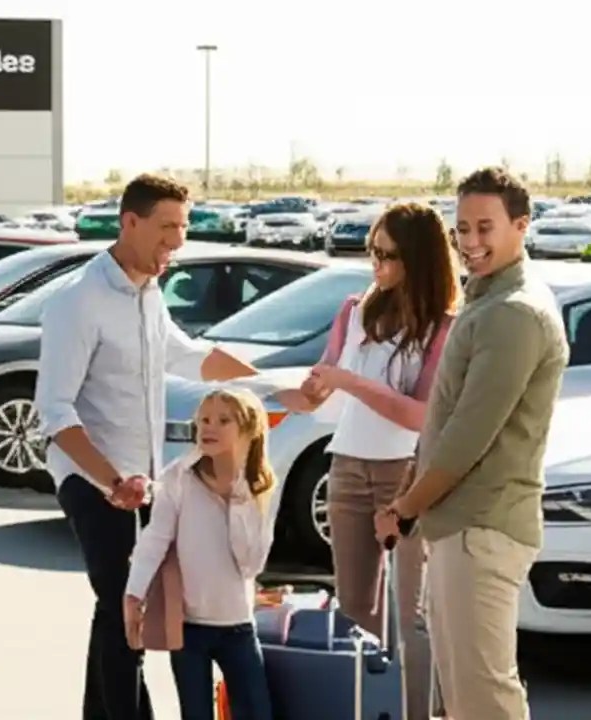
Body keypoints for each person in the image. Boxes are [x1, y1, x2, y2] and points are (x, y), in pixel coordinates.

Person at [35, 173, 263, 720]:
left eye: (182, 227)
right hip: (94, 480)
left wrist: (277, 385)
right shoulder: (79, 303)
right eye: (167, 227)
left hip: (141, 480)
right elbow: (54, 413)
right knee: (127, 611)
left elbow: (187, 356)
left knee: (118, 610)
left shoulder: (148, 293)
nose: (177, 241)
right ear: (129, 223)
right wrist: (112, 481)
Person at [376, 167, 569, 720]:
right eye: (462, 229)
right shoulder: (488, 300)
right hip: (460, 527)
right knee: (462, 698)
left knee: (484, 698)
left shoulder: (514, 313)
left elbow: (466, 439)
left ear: (521, 226)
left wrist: (404, 509)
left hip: (481, 528)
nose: (471, 242)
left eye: (486, 227)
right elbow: (447, 420)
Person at [298, 201, 461, 720]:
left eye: (388, 254)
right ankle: (368, 711)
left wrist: (349, 382)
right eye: (372, 251)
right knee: (354, 611)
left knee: (411, 616)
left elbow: (418, 416)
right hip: (346, 465)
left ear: (419, 258)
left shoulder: (443, 327)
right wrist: (294, 389)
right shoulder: (353, 309)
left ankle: (418, 712)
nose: (377, 264)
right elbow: (321, 383)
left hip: (406, 473)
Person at [123, 388, 277, 720]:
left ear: (247, 431)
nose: (210, 427)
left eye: (224, 421)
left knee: (256, 711)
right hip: (189, 625)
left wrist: (238, 497)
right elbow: (155, 539)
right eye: (204, 419)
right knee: (195, 713)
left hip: (237, 625)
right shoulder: (179, 477)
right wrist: (133, 593)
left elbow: (251, 563)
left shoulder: (256, 486)